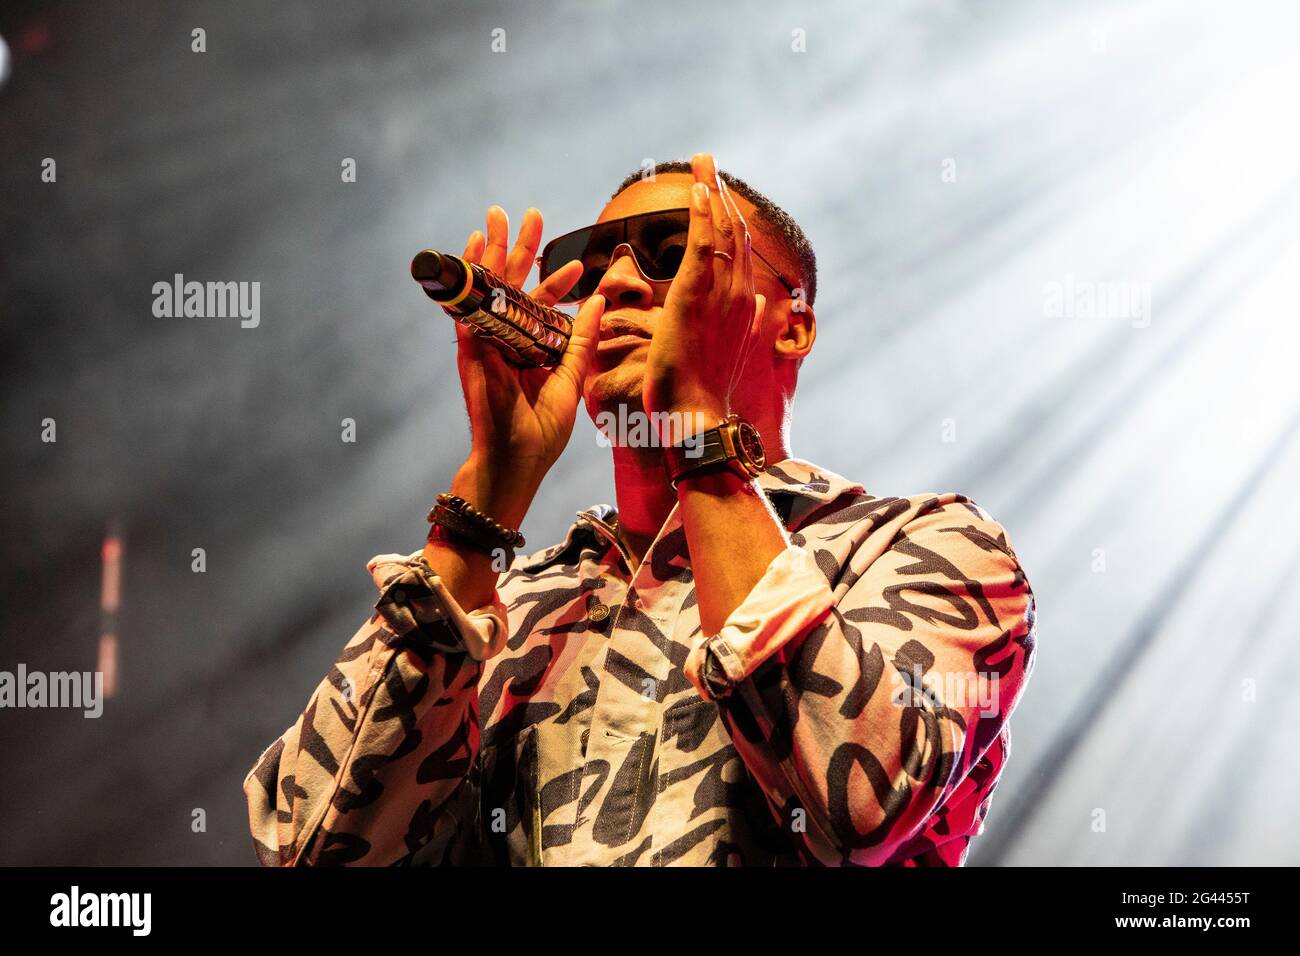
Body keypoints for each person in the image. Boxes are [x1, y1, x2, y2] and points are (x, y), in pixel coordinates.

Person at [243, 153, 1037, 866]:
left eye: (673, 254)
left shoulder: (928, 548)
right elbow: (307, 852)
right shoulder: (508, 610)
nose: (615, 286)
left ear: (791, 327)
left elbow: (858, 808)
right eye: (588, 271)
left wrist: (697, 423)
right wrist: (486, 498)